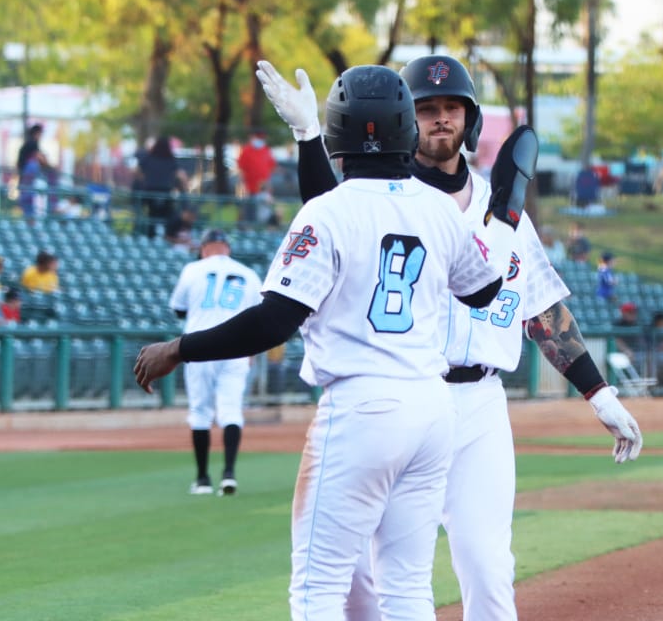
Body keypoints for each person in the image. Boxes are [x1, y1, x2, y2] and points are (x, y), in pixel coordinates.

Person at [258, 55, 642, 621]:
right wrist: (308, 137)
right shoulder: (385, 196)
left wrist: (599, 393)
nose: (442, 118)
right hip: (405, 393)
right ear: (405, 120)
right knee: (363, 579)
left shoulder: (502, 207)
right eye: (428, 108)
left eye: (453, 108)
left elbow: (540, 308)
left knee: (488, 567)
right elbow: (325, 209)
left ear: (471, 119)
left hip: (480, 404)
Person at [134, 63, 507, 620]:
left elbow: (274, 321)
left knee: (317, 589)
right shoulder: (439, 209)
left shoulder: (327, 211)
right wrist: (499, 223)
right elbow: (484, 291)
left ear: (338, 134)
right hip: (432, 410)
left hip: (362, 406)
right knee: (407, 588)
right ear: (407, 128)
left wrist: (179, 348)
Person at [167, 229, 264, 496]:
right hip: (237, 348)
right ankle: (229, 475)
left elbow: (178, 309)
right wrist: (252, 351)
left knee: (200, 411)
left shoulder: (193, 269)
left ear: (204, 248)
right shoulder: (249, 274)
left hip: (200, 346)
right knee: (231, 410)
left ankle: (202, 479)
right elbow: (260, 318)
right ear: (227, 248)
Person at [134, 136, 187, 236]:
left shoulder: (148, 158)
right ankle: (168, 234)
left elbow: (137, 171)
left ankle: (150, 234)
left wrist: (144, 181)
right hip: (165, 192)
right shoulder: (170, 159)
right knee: (168, 214)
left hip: (150, 192)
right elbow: (180, 175)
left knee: (151, 214)